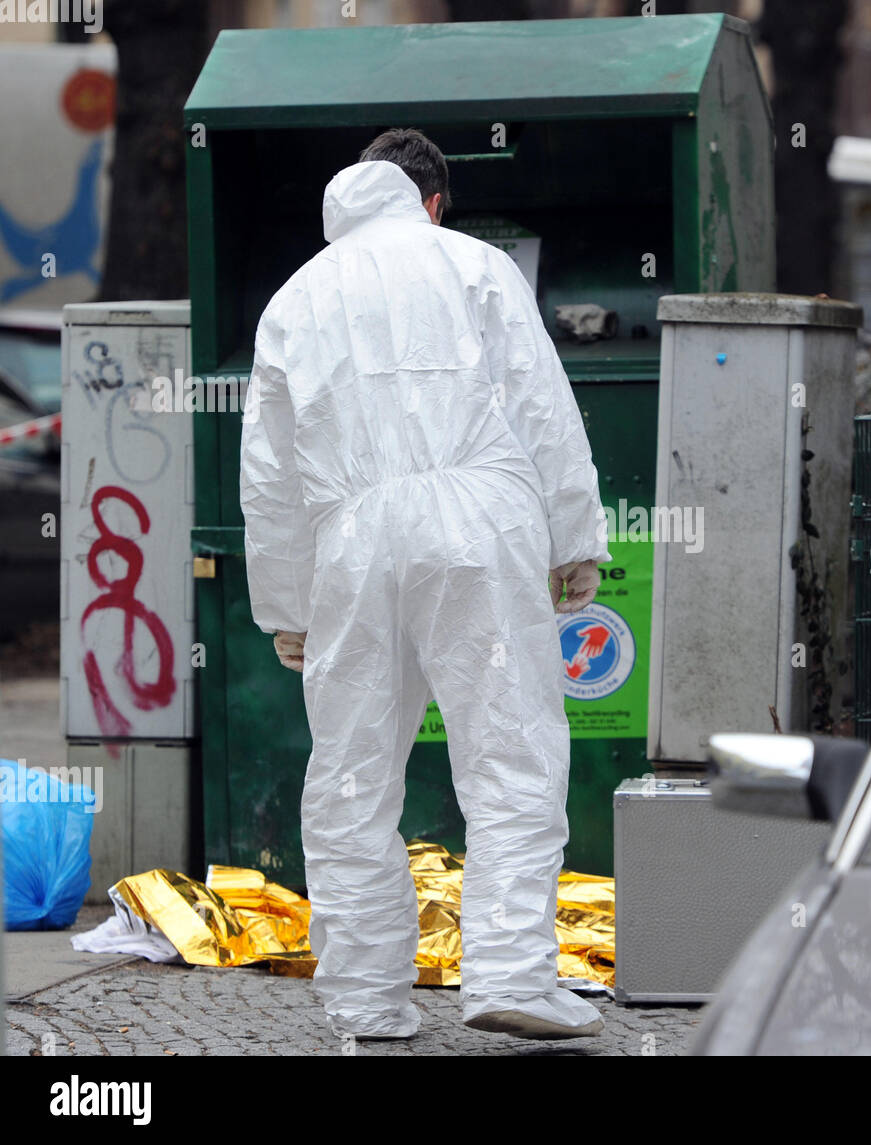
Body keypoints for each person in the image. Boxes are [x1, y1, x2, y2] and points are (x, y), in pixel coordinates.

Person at [238, 128, 611, 1041]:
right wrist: (575, 537)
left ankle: (366, 996)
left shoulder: (293, 299)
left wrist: (284, 606)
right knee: (511, 748)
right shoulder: (476, 266)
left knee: (353, 771)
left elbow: (270, 474)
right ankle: (511, 970)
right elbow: (540, 403)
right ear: (433, 201)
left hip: (352, 538)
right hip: (481, 519)